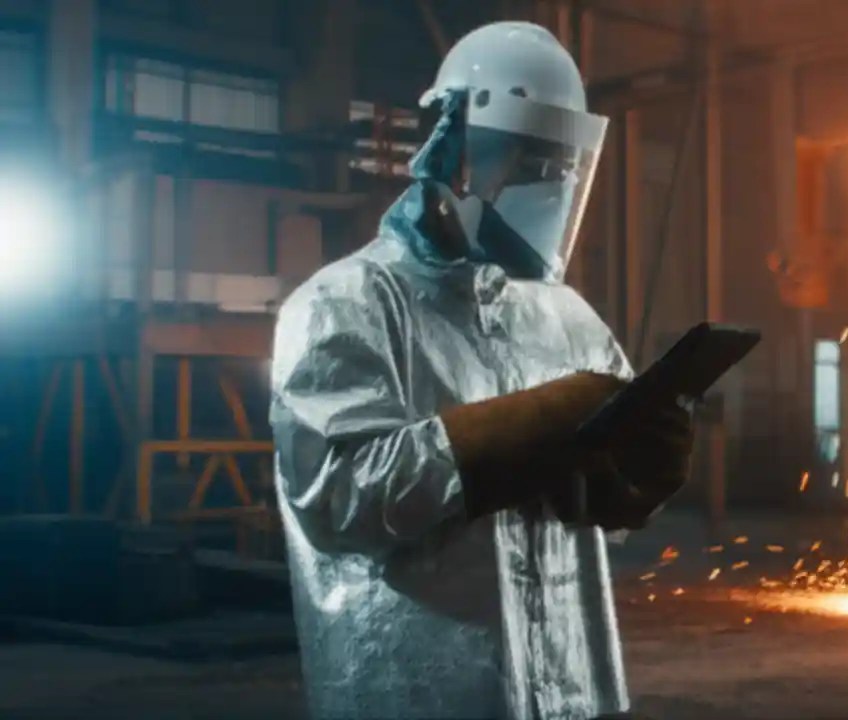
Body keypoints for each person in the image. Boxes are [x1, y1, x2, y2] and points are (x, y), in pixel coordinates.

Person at [270, 21, 694, 720]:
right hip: (416, 697)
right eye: (520, 159)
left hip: (568, 693)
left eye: (553, 165)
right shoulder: (345, 302)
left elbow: (604, 509)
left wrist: (640, 474)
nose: (540, 183)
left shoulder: (567, 318)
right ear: (452, 145)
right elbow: (339, 497)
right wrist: (517, 432)